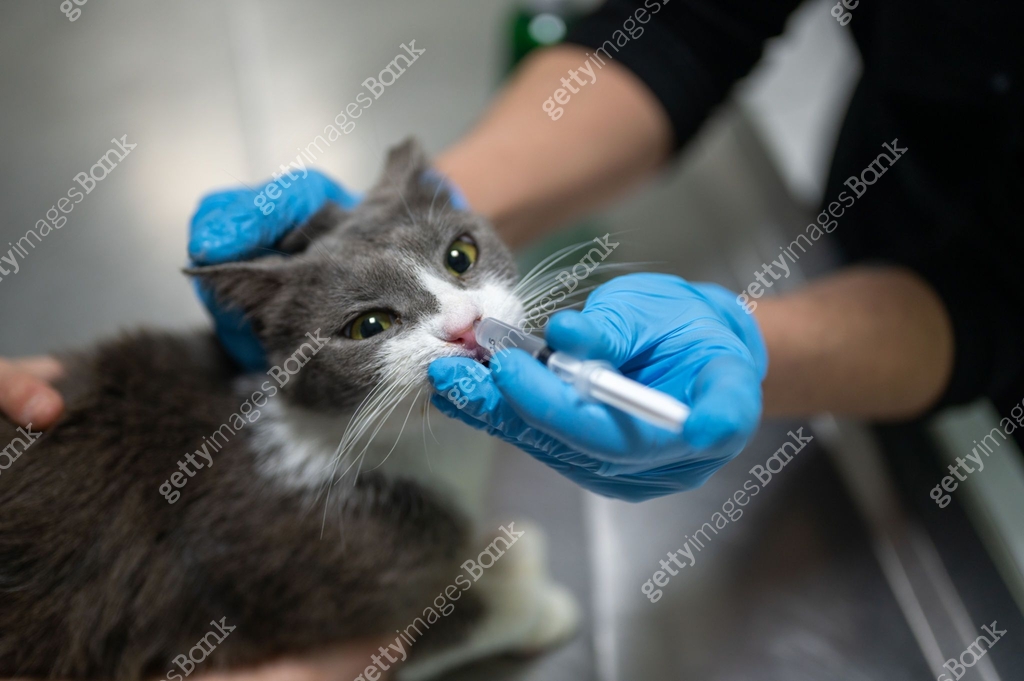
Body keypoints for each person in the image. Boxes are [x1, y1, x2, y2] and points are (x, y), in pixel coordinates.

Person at [5, 0, 1022, 503]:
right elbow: (688, 22)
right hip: (892, 178)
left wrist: (750, 346)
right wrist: (389, 233)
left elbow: (1001, 303)